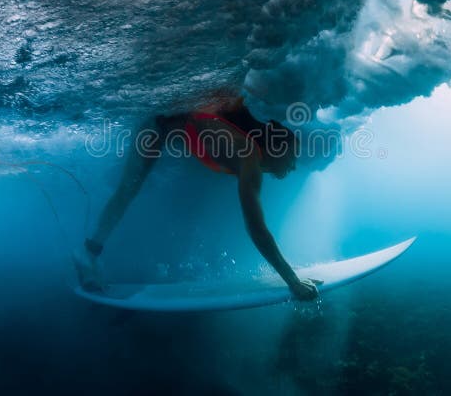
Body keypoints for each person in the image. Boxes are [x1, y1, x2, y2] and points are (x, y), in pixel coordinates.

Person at [73, 96, 320, 301]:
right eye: (293, 156)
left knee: (135, 187)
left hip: (184, 125)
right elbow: (256, 228)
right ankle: (87, 254)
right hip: (158, 126)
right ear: (277, 148)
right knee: (128, 190)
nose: (295, 165)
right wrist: (293, 281)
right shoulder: (248, 158)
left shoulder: (249, 155)